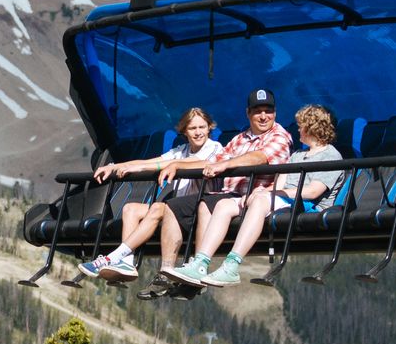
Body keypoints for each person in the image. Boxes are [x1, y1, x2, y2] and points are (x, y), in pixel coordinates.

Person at [161, 87, 293, 289]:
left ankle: (203, 265)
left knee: (211, 204)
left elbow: (261, 157)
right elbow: (213, 161)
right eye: (258, 111)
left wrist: (227, 164)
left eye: (269, 110)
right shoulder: (240, 139)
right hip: (229, 195)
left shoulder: (280, 136)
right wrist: (178, 165)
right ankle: (171, 270)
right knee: (175, 205)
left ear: (275, 113)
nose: (264, 116)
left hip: (256, 195)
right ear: (248, 113)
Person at [77, 108, 221, 283]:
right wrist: (114, 167)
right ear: (184, 131)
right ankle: (127, 261)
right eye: (193, 128)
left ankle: (112, 257)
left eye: (202, 127)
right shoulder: (181, 151)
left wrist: (173, 165)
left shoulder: (214, 148)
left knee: (159, 207)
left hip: (199, 207)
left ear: (209, 128)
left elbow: (201, 163)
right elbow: (150, 162)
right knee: (131, 209)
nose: (198, 133)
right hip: (177, 208)